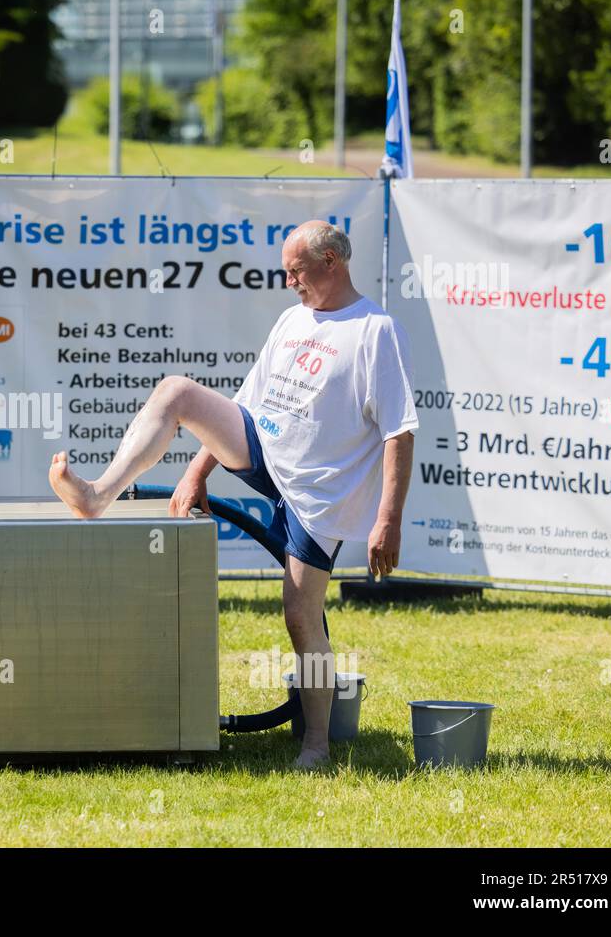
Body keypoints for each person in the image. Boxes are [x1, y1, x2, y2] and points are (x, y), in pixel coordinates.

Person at [48, 220, 418, 769]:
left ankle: (316, 742)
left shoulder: (374, 329)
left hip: (318, 497)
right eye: (286, 269)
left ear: (332, 263)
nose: (288, 279)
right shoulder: (292, 319)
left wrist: (388, 520)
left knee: (301, 616)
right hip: (266, 453)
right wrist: (199, 470)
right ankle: (98, 494)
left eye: (296, 269)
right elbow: (251, 404)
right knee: (177, 391)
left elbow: (398, 431)